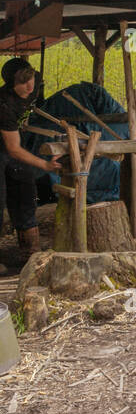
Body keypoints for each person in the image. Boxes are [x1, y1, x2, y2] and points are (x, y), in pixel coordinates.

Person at [0, 58, 53, 261]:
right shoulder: (4, 104)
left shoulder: (35, 81)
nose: (30, 87)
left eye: (31, 80)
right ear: (12, 85)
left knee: (26, 183)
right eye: (23, 84)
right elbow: (14, 149)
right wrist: (45, 164)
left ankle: (30, 251)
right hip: (5, 145)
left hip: (7, 143)